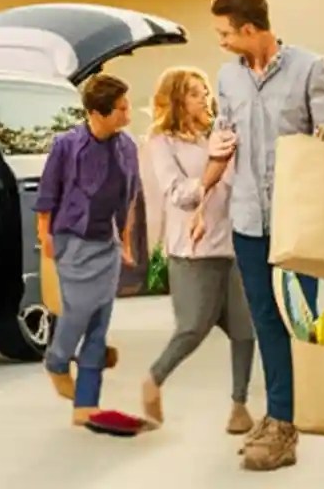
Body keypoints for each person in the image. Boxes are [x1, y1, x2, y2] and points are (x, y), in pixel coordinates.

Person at [203, 0, 324, 471]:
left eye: (226, 33)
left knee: (297, 320)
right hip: (249, 221)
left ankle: (285, 423)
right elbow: (223, 131)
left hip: (298, 220)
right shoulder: (228, 78)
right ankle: (280, 416)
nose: (222, 42)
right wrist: (209, 170)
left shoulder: (309, 68)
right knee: (265, 321)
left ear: (250, 29)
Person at [139, 67, 255, 434]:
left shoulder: (219, 134)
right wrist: (211, 175)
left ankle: (239, 406)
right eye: (193, 92)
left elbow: (237, 181)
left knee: (244, 328)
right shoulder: (162, 142)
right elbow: (178, 193)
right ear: (176, 100)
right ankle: (153, 380)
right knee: (192, 327)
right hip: (193, 250)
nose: (203, 97)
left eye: (205, 90)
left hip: (234, 243)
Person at [34, 73, 138, 427]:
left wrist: (124, 242)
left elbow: (129, 198)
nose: (128, 115)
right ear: (98, 112)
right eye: (121, 108)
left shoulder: (128, 147)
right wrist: (45, 236)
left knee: (99, 324)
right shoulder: (66, 145)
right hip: (72, 240)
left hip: (105, 245)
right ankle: (57, 359)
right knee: (77, 313)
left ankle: (86, 404)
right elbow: (47, 195)